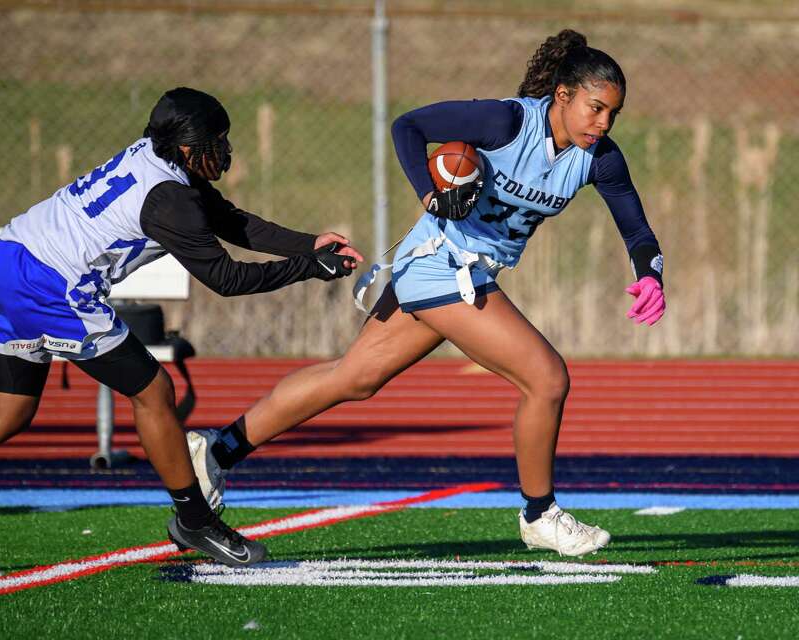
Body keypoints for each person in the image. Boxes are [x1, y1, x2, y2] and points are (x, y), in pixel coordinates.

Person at [187, 30, 666, 557]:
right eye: (596, 108)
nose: (604, 123)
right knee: (546, 378)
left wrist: (650, 274)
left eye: (613, 115)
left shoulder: (600, 158)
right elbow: (408, 125)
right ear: (563, 96)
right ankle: (540, 514)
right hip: (439, 264)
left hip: (457, 272)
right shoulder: (506, 122)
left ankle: (216, 451)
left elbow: (637, 231)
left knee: (353, 378)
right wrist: (429, 193)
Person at [0, 87, 363, 577]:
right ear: (186, 148)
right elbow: (227, 279)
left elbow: (225, 218)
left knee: (7, 411)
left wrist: (307, 243)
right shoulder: (170, 200)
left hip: (8, 258)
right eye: (217, 142)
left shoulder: (154, 156)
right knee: (154, 391)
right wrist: (310, 268)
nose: (225, 151)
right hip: (48, 284)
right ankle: (195, 520)